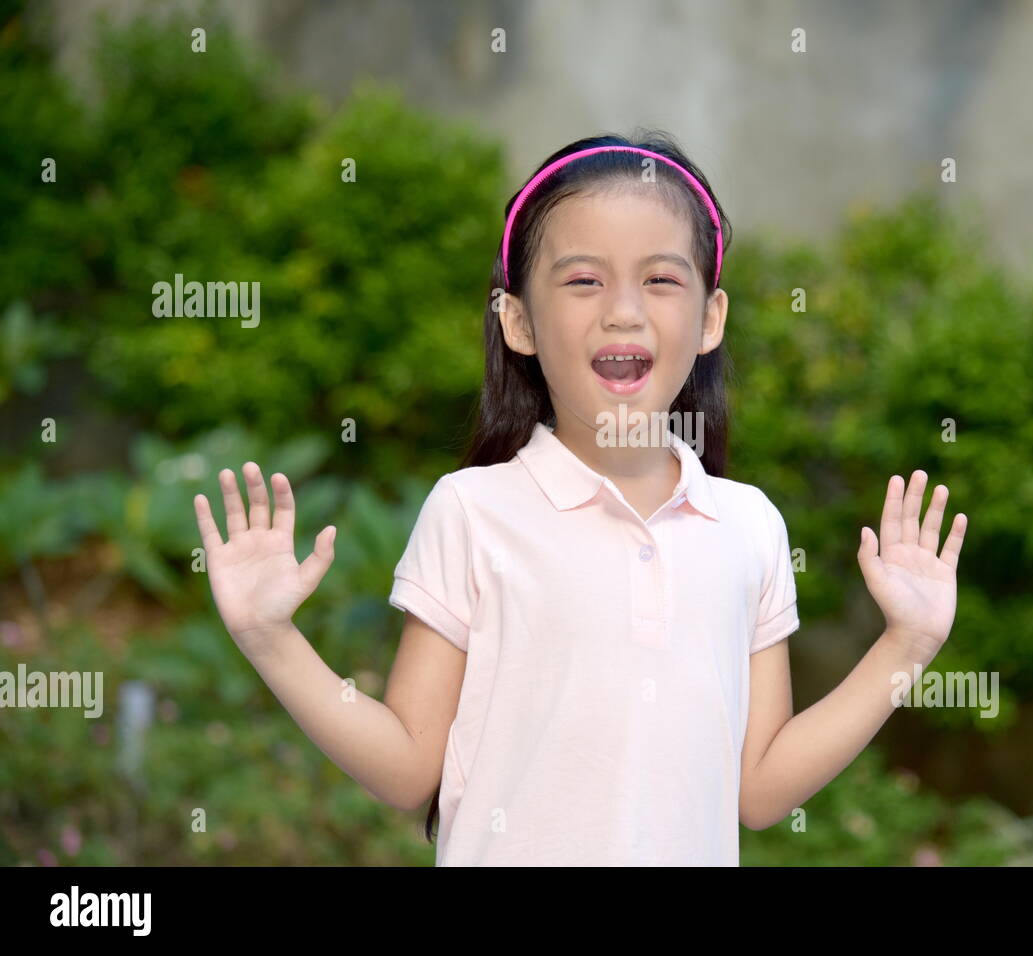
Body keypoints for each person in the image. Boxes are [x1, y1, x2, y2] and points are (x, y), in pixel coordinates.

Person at [192, 129, 968, 866]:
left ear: (711, 318)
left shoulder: (750, 528)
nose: (623, 309)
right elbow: (405, 772)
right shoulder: (473, 511)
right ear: (519, 321)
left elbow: (760, 789)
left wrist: (905, 648)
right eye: (584, 280)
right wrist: (270, 636)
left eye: (662, 279)